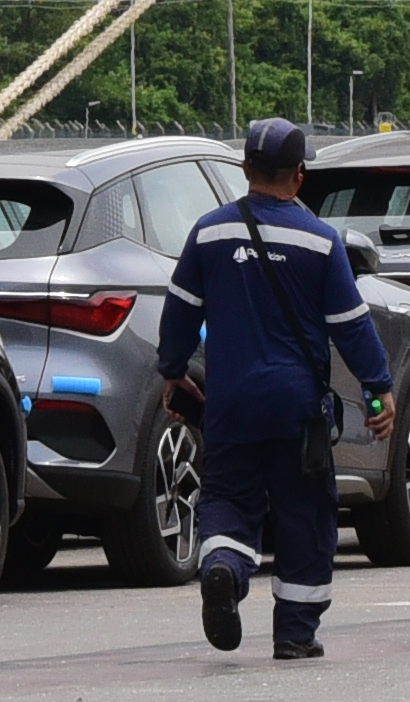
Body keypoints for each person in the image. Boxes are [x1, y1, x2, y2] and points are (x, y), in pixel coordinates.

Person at [154, 115, 395, 662]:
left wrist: (173, 372)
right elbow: (351, 326)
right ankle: (294, 632)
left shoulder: (208, 232)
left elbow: (179, 314)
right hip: (295, 407)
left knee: (228, 498)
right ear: (300, 176)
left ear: (245, 169)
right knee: (305, 511)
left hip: (229, 403)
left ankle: (223, 568)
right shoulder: (320, 241)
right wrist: (379, 390)